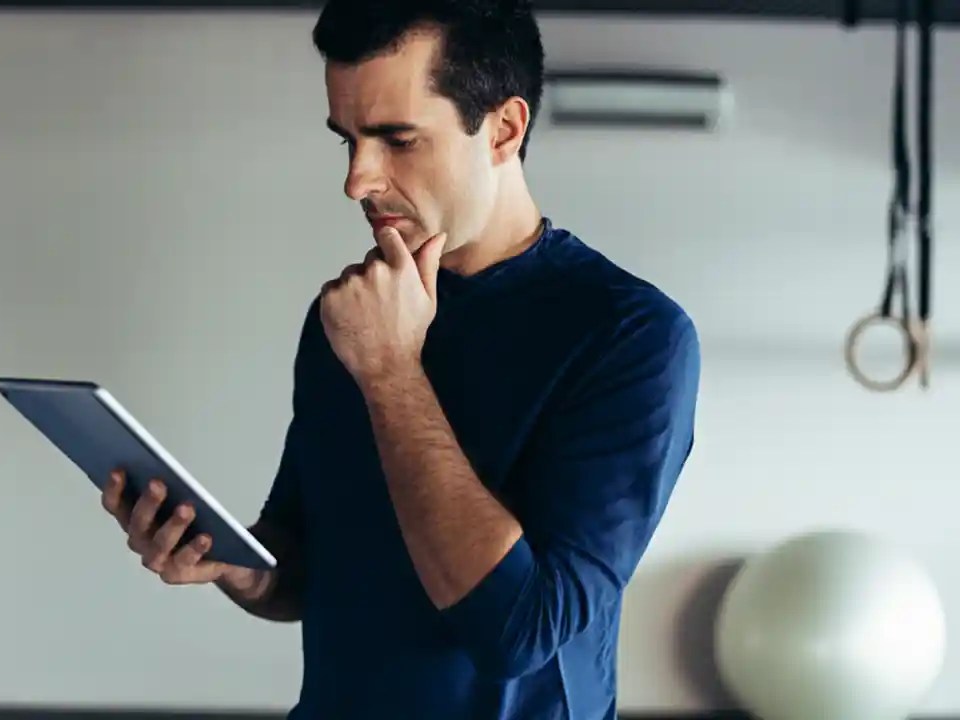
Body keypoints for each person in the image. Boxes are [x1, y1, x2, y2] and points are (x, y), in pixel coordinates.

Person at [100, 1, 701, 717]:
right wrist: (234, 564)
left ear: (504, 129)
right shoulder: (351, 314)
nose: (358, 180)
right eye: (348, 140)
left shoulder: (630, 335)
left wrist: (389, 372)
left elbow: (520, 631)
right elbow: (305, 573)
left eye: (398, 140)